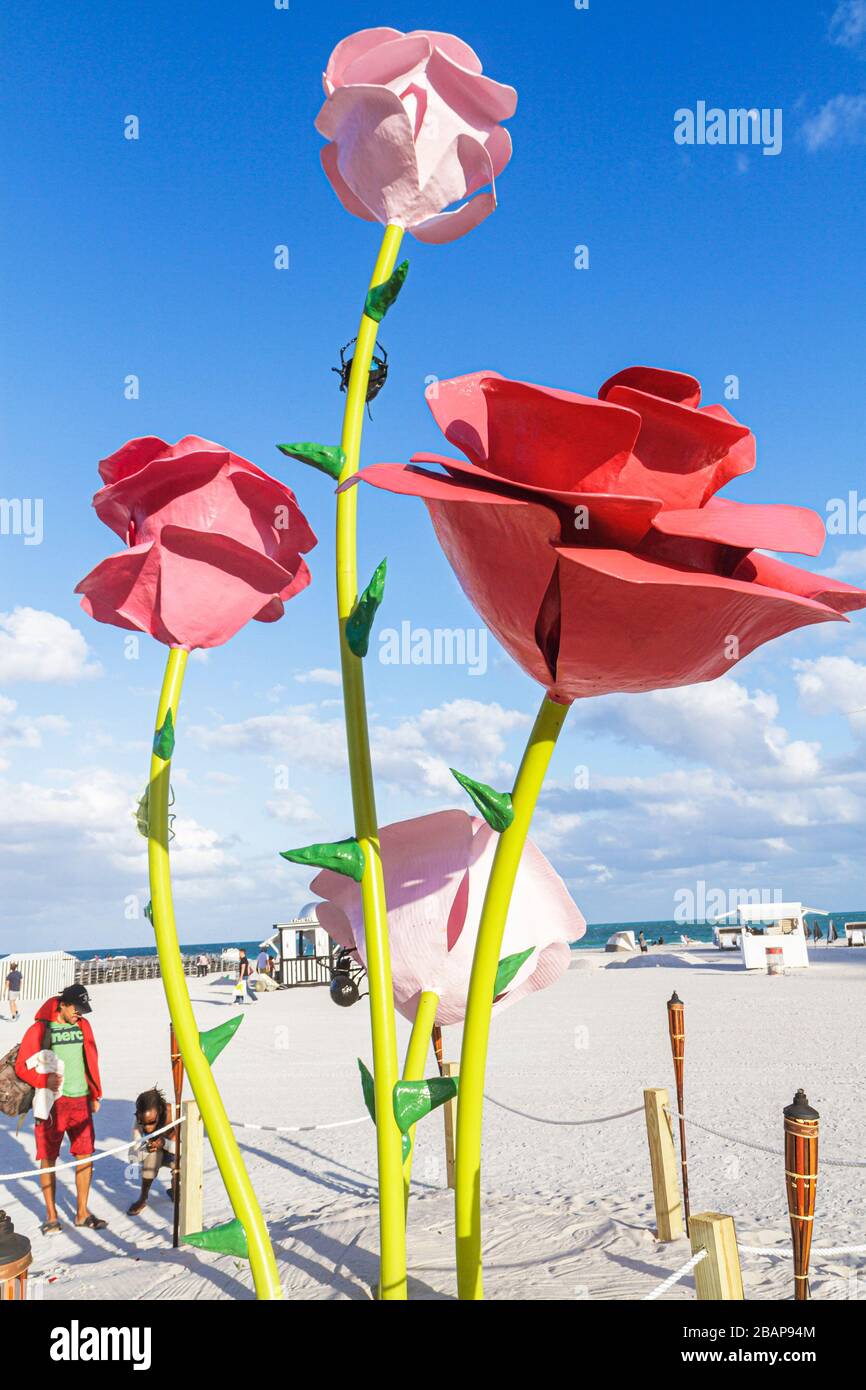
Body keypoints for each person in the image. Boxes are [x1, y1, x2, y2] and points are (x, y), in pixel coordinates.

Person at [14, 984, 108, 1235]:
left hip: (81, 1102)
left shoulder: (83, 1026)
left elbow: (91, 1058)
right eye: (77, 1008)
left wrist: (95, 1092)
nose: (80, 1014)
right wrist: (44, 1081)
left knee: (85, 1156)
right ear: (63, 1004)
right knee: (48, 1159)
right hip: (51, 1104)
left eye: (83, 1009)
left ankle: (82, 1213)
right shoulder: (40, 1029)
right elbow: (22, 1067)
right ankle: (52, 1216)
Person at [127, 1086, 176, 1216]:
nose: (147, 1128)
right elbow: (132, 1156)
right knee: (151, 1156)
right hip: (157, 1155)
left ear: (159, 1111)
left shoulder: (175, 1113)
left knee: (183, 1162)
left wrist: (165, 1143)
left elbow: (186, 1149)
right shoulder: (139, 1119)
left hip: (177, 1154)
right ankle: (143, 1198)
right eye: (143, 1123)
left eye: (151, 1122)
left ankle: (176, 1188)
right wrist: (146, 1149)